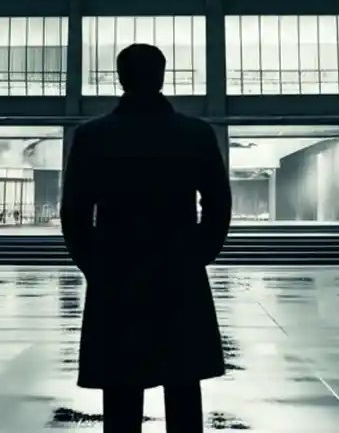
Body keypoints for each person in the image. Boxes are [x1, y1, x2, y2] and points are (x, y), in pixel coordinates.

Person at [61, 43, 233, 433]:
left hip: (118, 273)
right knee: (183, 385)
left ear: (120, 78)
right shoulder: (194, 134)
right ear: (162, 76)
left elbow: (74, 212)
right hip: (178, 271)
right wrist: (199, 253)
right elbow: (218, 203)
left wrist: (95, 263)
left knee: (121, 390)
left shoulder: (93, 137)